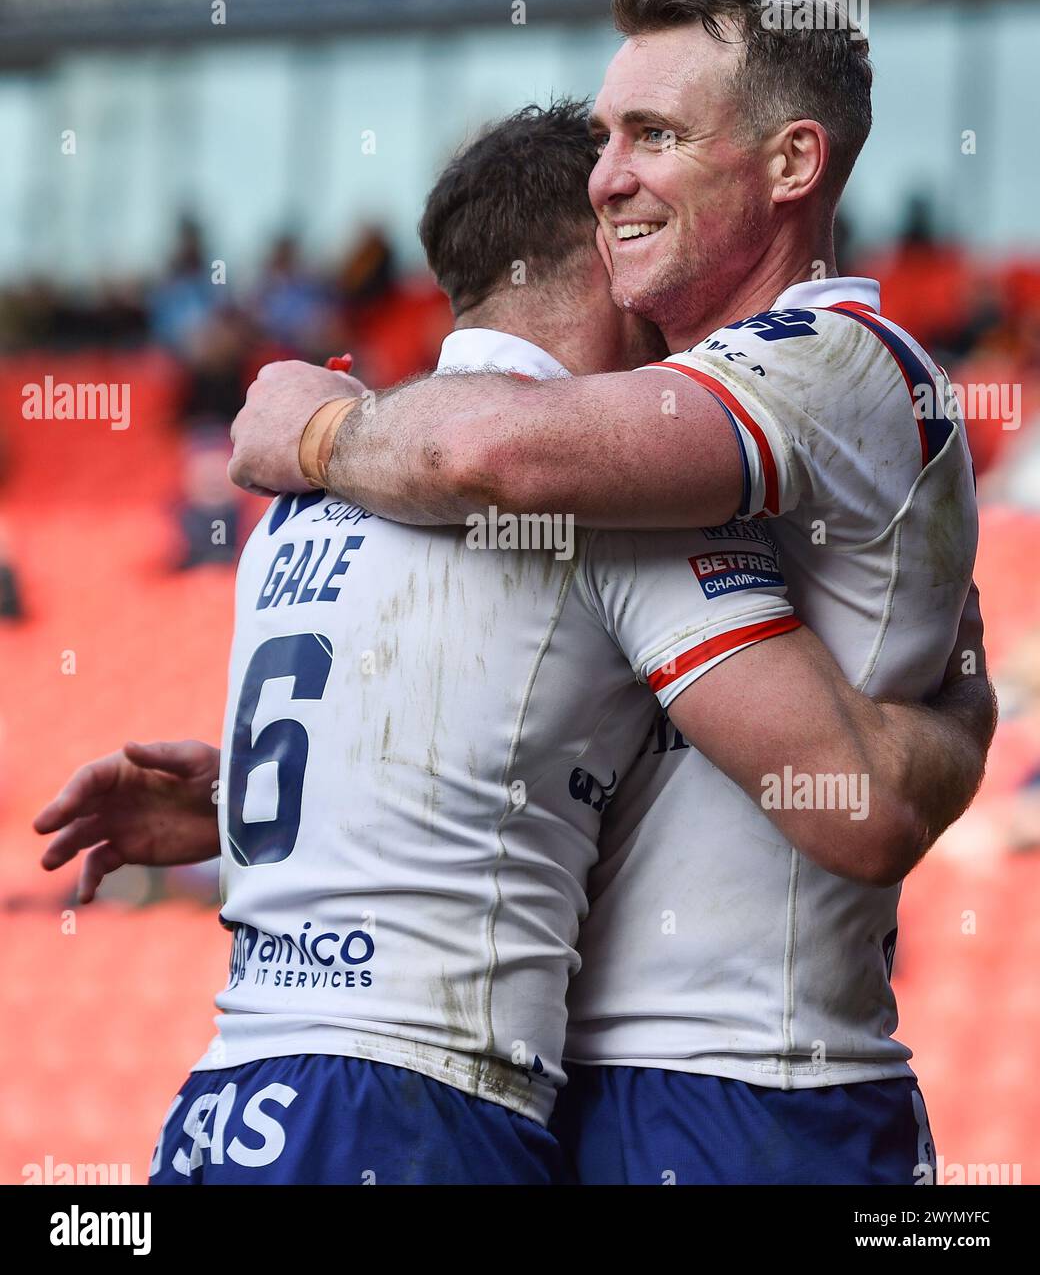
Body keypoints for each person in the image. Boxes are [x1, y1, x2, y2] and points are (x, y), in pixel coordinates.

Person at [39, 105, 990, 1187]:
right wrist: (960, 691)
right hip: (416, 1113)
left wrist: (228, 808)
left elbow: (456, 720)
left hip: (223, 1101)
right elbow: (849, 799)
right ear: (599, 254)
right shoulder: (594, 503)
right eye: (640, 236)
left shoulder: (297, 505)